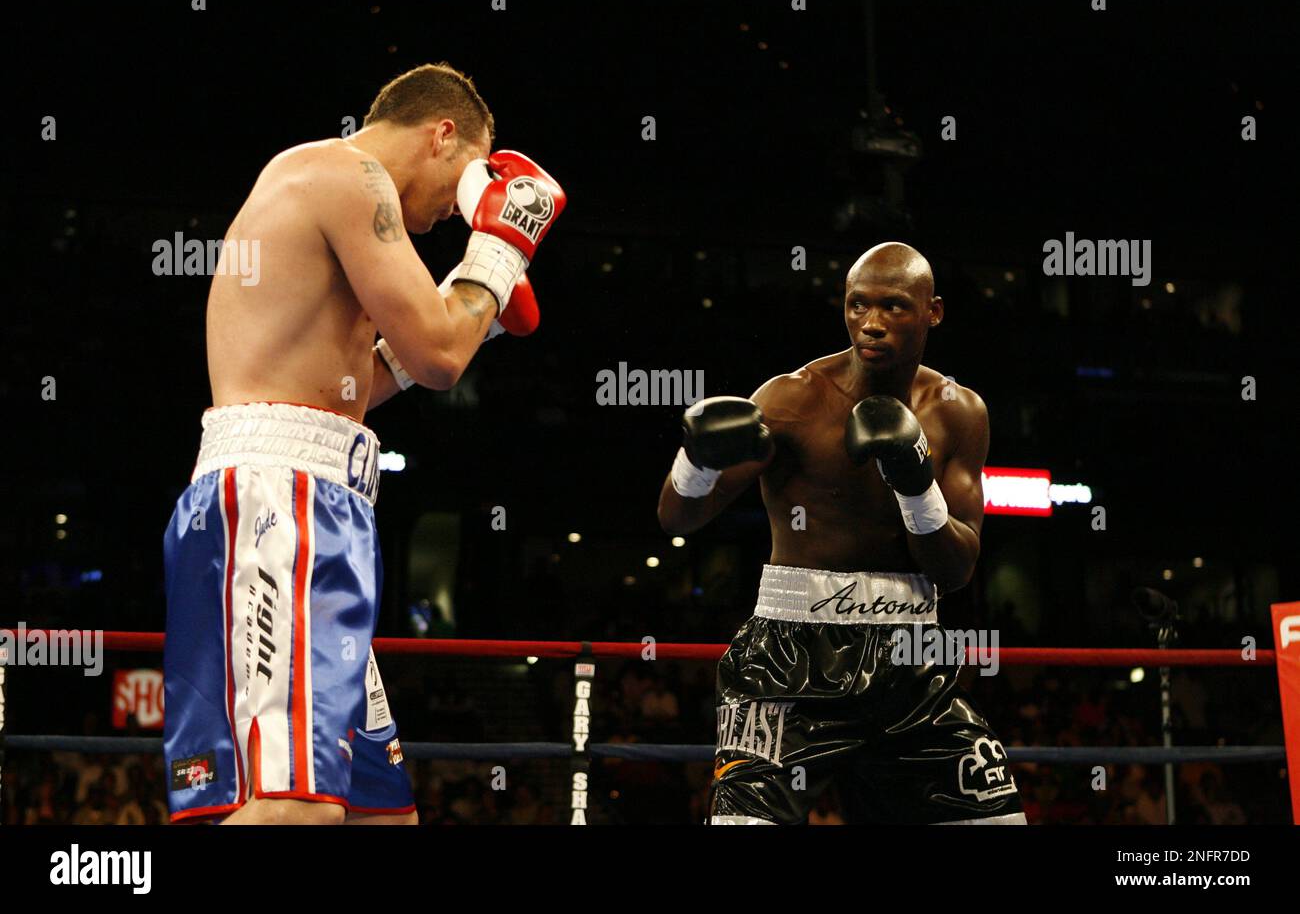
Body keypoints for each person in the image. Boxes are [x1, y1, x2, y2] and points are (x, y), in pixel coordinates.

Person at [163, 62, 565, 824]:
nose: (453, 215)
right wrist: (499, 253)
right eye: (461, 187)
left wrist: (465, 294)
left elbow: (383, 375)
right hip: (281, 506)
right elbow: (445, 357)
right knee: (298, 810)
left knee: (382, 817)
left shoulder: (321, 185)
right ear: (443, 135)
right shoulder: (351, 175)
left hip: (303, 499)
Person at [658, 242, 1024, 824]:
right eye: (857, 305)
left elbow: (956, 570)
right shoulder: (792, 400)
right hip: (788, 654)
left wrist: (915, 485)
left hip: (912, 659)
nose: (871, 323)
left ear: (934, 312)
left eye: (894, 307)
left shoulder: (958, 412)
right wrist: (694, 462)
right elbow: (678, 518)